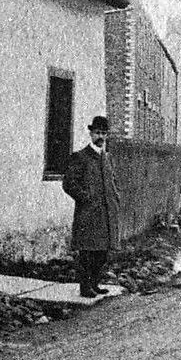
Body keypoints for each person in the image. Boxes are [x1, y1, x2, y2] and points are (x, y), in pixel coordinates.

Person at [63, 116, 120, 298]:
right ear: (91, 134)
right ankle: (85, 287)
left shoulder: (107, 158)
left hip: (105, 215)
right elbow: (69, 184)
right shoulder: (80, 157)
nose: (100, 137)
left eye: (104, 133)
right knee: (87, 253)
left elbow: (112, 182)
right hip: (88, 214)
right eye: (97, 133)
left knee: (101, 254)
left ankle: (94, 283)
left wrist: (115, 197)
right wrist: (86, 198)